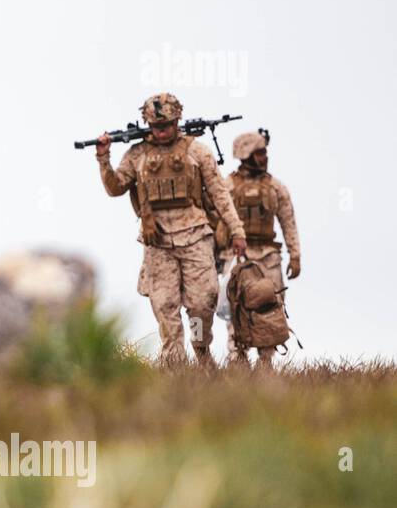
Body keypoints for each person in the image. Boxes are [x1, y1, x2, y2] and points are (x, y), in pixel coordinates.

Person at [95, 93, 246, 366]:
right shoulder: (137, 155)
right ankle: (174, 363)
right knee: (165, 305)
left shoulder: (197, 152)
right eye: (156, 127)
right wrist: (104, 159)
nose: (162, 132)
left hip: (195, 237)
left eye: (167, 126)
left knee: (202, 303)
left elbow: (219, 194)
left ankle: (201, 350)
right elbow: (115, 187)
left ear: (178, 120)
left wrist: (237, 231)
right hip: (158, 242)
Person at [220, 131, 301, 366]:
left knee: (271, 307)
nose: (264, 157)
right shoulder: (227, 187)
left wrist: (295, 256)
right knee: (235, 308)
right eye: (259, 153)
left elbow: (288, 222)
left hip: (268, 257)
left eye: (264, 152)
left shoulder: (275, 187)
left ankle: (266, 361)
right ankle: (237, 359)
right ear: (246, 155)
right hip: (237, 258)